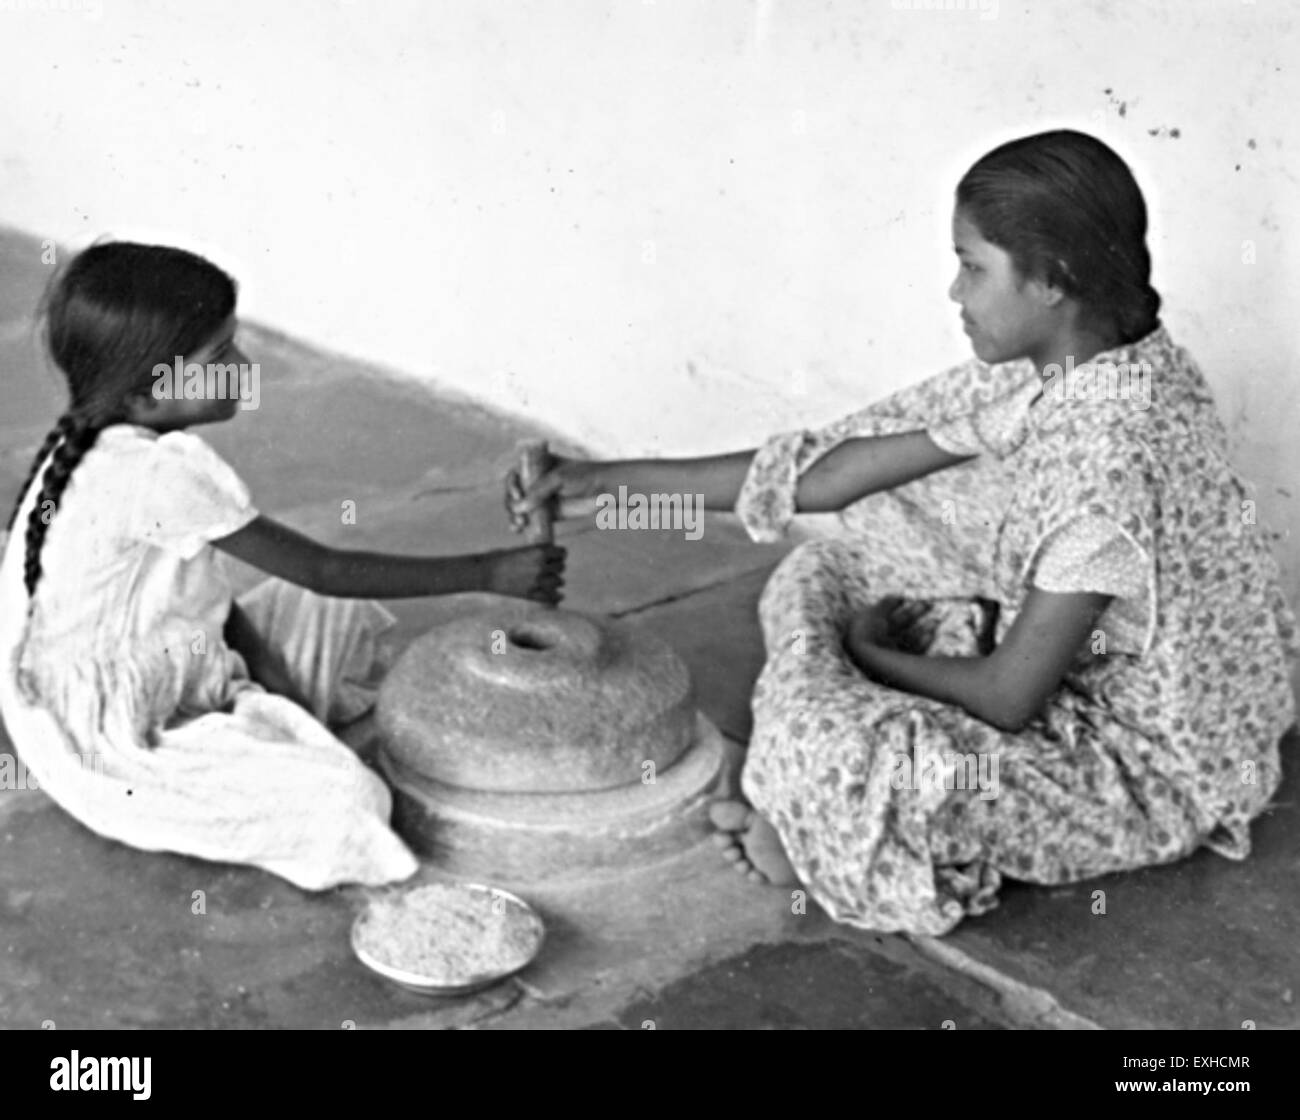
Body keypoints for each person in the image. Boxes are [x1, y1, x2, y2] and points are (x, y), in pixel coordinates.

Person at [509, 130, 1297, 935]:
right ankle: (796, 771)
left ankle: (808, 816)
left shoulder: (1105, 465)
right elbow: (834, 472)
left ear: (1052, 281)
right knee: (825, 569)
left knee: (847, 751)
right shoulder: (1102, 370)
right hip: (1106, 675)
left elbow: (1007, 697)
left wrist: (869, 653)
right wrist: (597, 489)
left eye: (973, 266)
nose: (956, 293)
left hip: (1151, 768)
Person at [0, 241, 565, 890]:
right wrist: (490, 573)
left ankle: (280, 734)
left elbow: (201, 595)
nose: (245, 368)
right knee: (348, 802)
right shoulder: (155, 475)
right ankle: (276, 757)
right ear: (151, 392)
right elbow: (324, 566)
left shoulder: (108, 441)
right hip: (109, 737)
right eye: (220, 358)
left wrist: (273, 680)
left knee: (331, 614)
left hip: (159, 659)